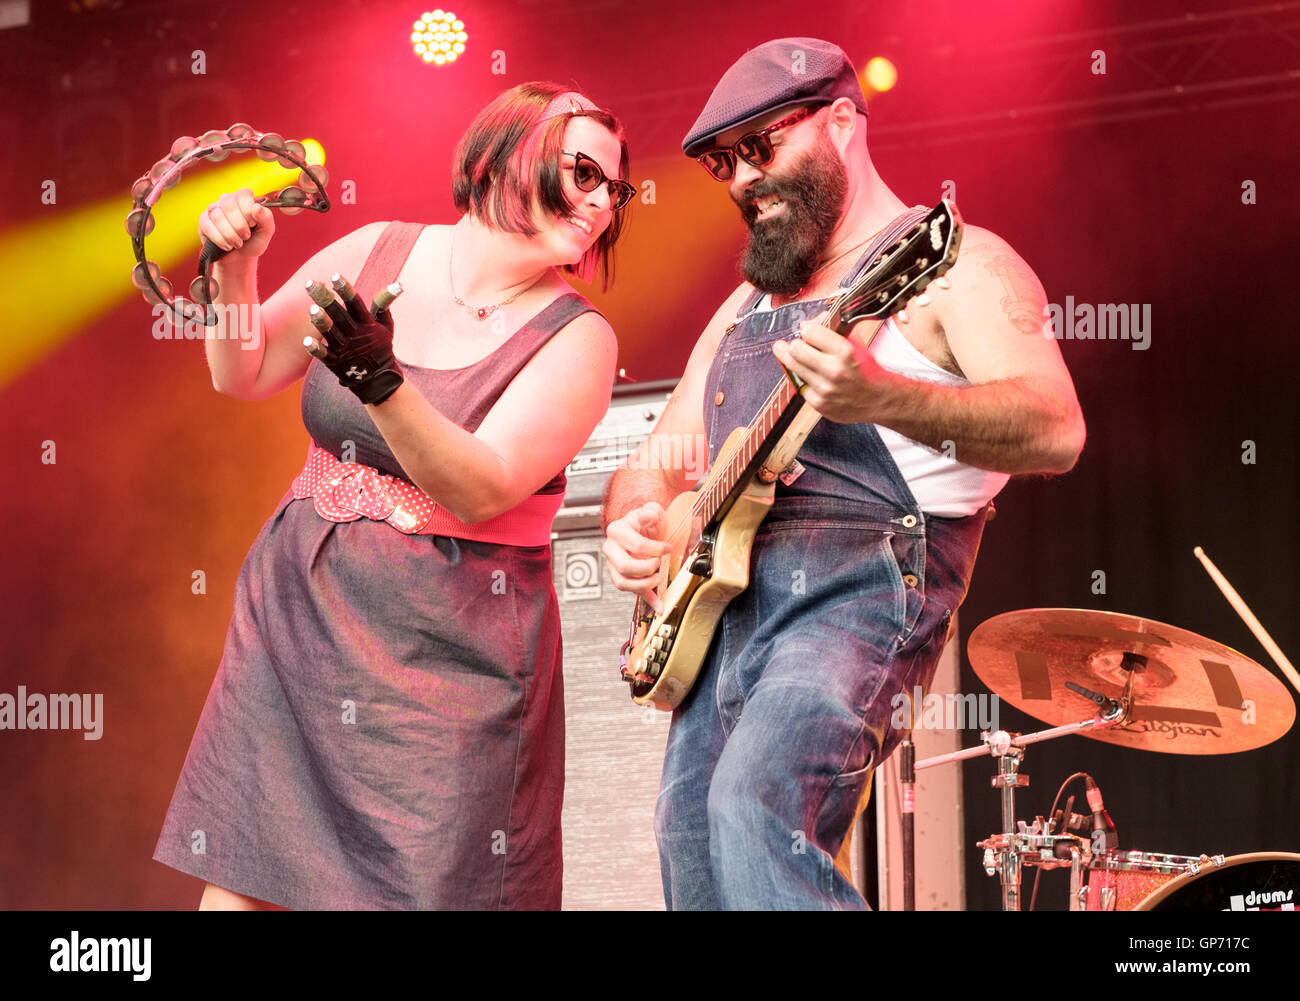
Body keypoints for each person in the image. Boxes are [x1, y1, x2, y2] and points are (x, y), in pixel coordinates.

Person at [600, 38, 1086, 909]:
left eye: (762, 147)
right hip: (724, 622)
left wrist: (885, 396)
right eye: (722, 165)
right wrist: (636, 522)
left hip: (859, 597)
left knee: (757, 806)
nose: (743, 178)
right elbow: (651, 464)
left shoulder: (957, 265)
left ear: (841, 123)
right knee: (690, 841)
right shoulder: (746, 308)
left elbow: (1057, 428)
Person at [153, 81, 635, 910]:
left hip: (450, 663)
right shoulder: (377, 248)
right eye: (583, 171)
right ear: (502, 153)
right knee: (242, 878)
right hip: (302, 613)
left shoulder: (579, 338)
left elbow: (479, 488)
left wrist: (381, 380)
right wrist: (234, 269)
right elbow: (244, 369)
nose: (601, 203)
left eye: (615, 189)